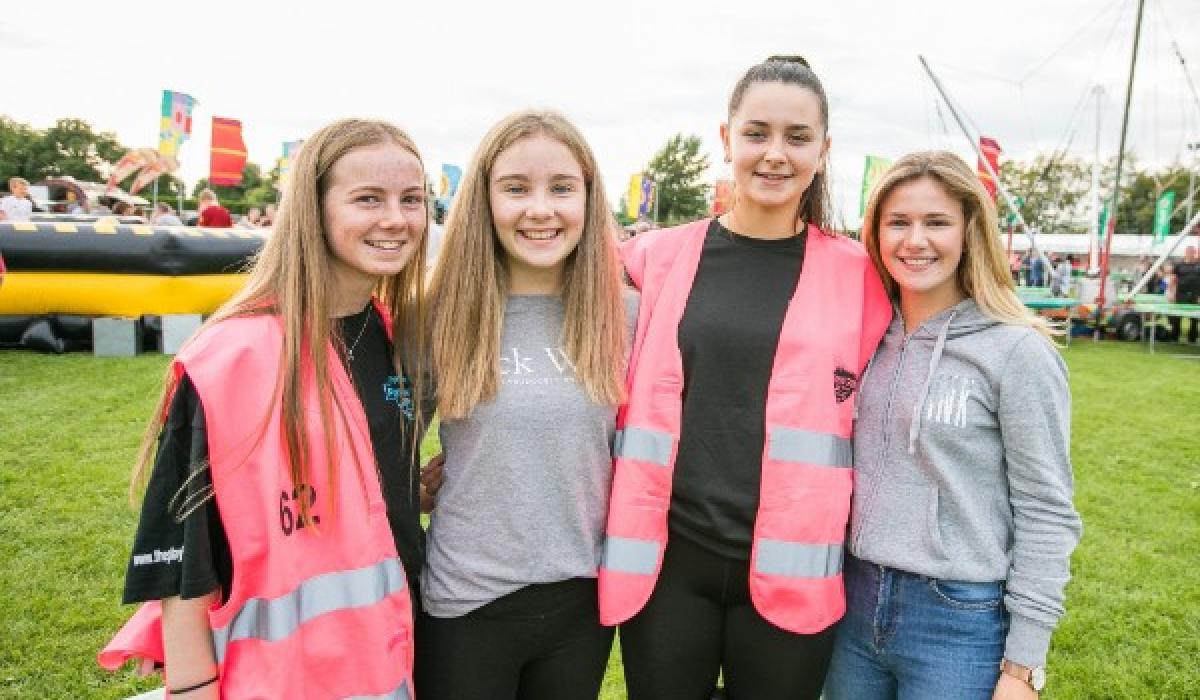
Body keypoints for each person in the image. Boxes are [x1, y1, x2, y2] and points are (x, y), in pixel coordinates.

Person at [98, 118, 432, 699]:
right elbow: (184, 547)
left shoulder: (391, 334)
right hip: (284, 676)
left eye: (412, 199)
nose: (396, 219)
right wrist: (192, 686)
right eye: (368, 199)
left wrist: (411, 489)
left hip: (392, 653)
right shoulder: (233, 355)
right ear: (313, 210)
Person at [600, 56, 892, 700]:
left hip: (794, 571)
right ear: (727, 139)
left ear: (823, 150)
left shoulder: (861, 277)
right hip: (669, 566)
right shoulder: (651, 260)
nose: (775, 154)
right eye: (757, 133)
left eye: (797, 137)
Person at [824, 151, 1082, 700]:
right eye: (898, 222)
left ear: (970, 232)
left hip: (957, 618)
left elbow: (1046, 510)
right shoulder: (859, 338)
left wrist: (1024, 666)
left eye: (936, 222)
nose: (915, 240)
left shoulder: (1017, 352)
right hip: (850, 600)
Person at [417, 110, 636, 700]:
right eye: (516, 189)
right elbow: (380, 441)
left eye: (561, 188)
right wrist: (410, 487)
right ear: (484, 199)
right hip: (466, 600)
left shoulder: (627, 315)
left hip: (582, 601)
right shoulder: (436, 312)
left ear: (588, 198)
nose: (541, 209)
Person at [1167, 245, 1200, 343]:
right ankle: (1174, 338)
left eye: (1192, 252)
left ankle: (1192, 339)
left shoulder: (1198, 265)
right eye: (1189, 252)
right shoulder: (1179, 265)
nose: (1190, 254)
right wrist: (1170, 293)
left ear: (1195, 253)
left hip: (1195, 294)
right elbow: (1173, 279)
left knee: (1194, 318)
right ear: (1185, 253)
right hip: (1181, 294)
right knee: (1177, 317)